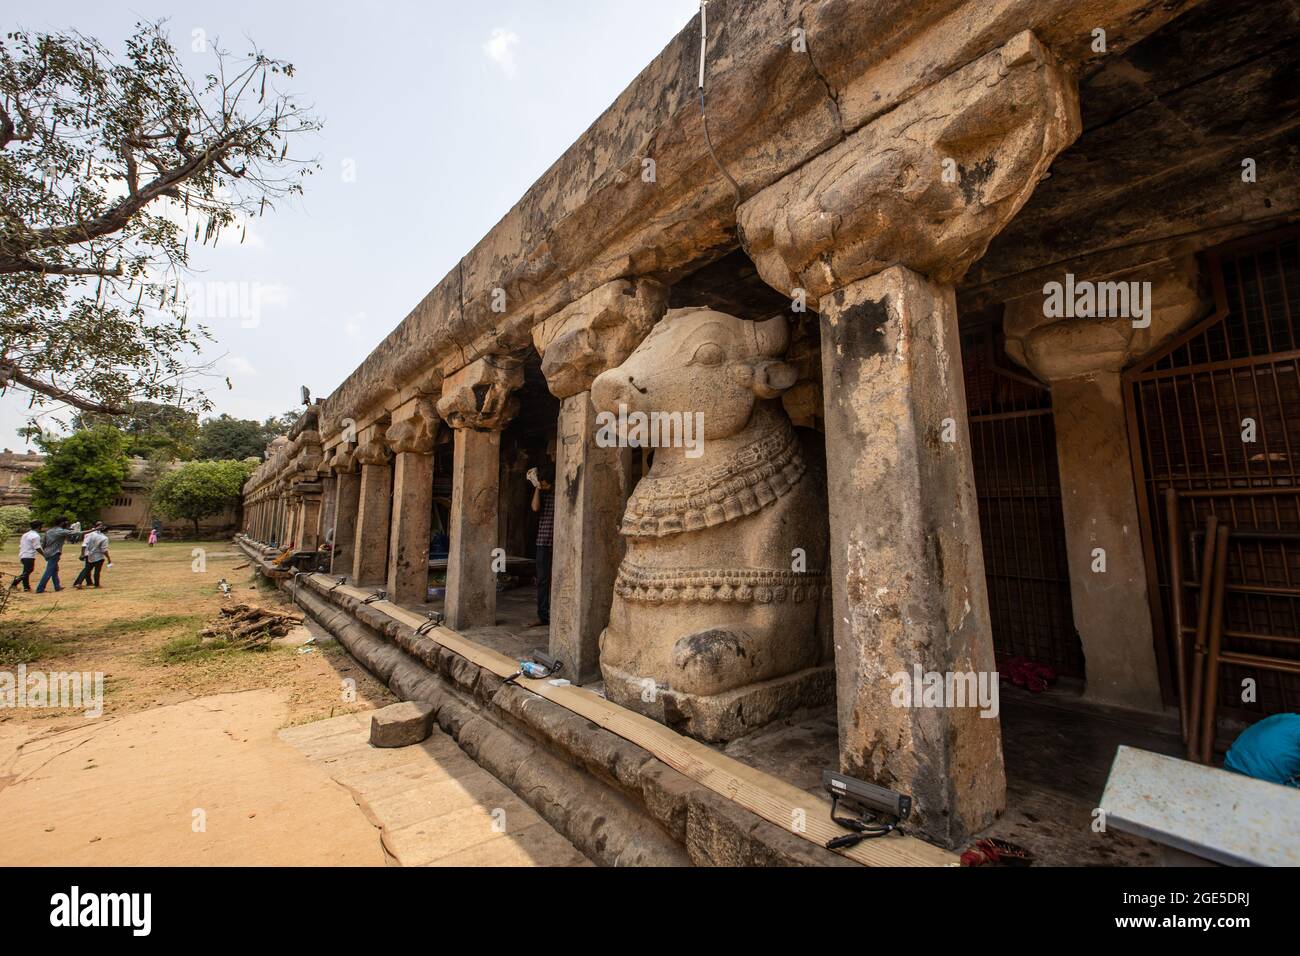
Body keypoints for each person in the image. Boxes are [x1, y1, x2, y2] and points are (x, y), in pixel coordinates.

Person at [529, 464, 555, 626]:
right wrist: (537, 488)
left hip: (558, 542)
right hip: (543, 541)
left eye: (545, 483)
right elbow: (535, 507)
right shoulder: (543, 494)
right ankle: (543, 615)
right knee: (543, 579)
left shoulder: (559, 493)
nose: (543, 485)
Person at [35, 517, 82, 594]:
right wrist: (93, 530)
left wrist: (45, 553)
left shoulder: (49, 531)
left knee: (54, 570)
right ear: (62, 523)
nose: (67, 524)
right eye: (66, 522)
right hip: (54, 553)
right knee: (49, 571)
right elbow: (78, 533)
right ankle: (40, 588)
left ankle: (57, 587)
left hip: (48, 552)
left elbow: (43, 543)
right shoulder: (60, 531)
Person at [73, 522, 111, 589]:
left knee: (86, 570)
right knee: (97, 571)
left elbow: (84, 544)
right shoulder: (104, 538)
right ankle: (96, 584)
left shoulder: (89, 534)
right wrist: (108, 558)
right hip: (98, 556)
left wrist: (82, 554)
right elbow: (104, 550)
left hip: (89, 555)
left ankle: (79, 583)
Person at [11, 520, 43, 591]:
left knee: (26, 571)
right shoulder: (35, 536)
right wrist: (44, 555)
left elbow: (21, 545)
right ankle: (15, 582)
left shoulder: (25, 534)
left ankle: (26, 587)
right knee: (28, 570)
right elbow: (37, 547)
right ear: (39, 527)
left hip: (23, 555)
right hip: (29, 556)